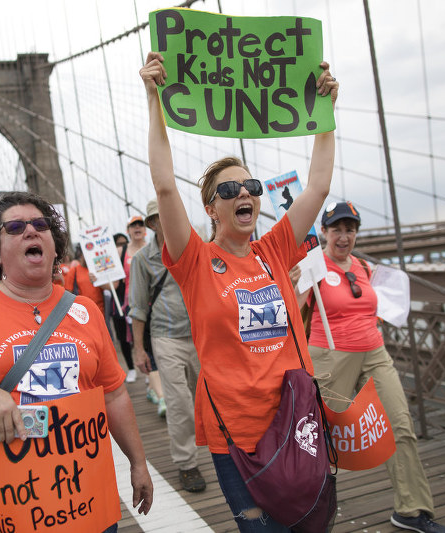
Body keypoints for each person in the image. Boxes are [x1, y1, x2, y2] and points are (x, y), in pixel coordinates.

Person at [140, 51, 337, 531]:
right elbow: (166, 189)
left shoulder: (275, 249)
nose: (243, 194)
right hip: (236, 434)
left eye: (249, 186)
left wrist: (326, 114)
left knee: (313, 524)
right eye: (229, 191)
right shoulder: (195, 262)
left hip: (296, 420)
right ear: (211, 208)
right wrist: (154, 101)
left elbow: (318, 186)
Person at [0, 191, 152, 530]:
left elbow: (113, 395)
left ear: (54, 246)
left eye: (41, 225)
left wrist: (138, 463)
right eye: (15, 227)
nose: (31, 231)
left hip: (85, 502)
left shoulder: (86, 312)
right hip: (9, 506)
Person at [297, 201, 445, 533]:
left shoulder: (364, 268)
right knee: (321, 439)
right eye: (336, 228)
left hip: (374, 352)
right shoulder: (313, 266)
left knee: (399, 425)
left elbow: (376, 307)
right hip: (330, 356)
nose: (343, 236)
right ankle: (308, 514)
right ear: (323, 231)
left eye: (349, 229)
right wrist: (300, 276)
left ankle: (411, 509)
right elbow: (292, 314)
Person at [129, 198, 205, 493]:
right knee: (179, 404)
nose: (170, 218)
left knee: (214, 399)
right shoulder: (142, 260)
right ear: (152, 224)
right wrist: (138, 349)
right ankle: (187, 464)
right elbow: (137, 307)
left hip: (202, 335)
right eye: (161, 216)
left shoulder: (195, 246)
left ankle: (231, 455)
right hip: (166, 337)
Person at [124, 215, 164, 402]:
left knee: (157, 346)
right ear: (128, 230)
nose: (137, 227)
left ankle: (156, 386)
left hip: (156, 305)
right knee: (142, 345)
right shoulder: (121, 251)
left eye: (140, 224)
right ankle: (155, 386)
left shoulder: (155, 250)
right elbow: (115, 281)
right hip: (132, 304)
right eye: (133, 225)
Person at [111, 233, 136, 382]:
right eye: (119, 244)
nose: (122, 246)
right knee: (123, 339)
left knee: (139, 336)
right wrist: (97, 279)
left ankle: (148, 369)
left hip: (134, 302)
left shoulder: (132, 257)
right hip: (118, 304)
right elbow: (110, 286)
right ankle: (131, 368)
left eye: (124, 243)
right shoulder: (112, 262)